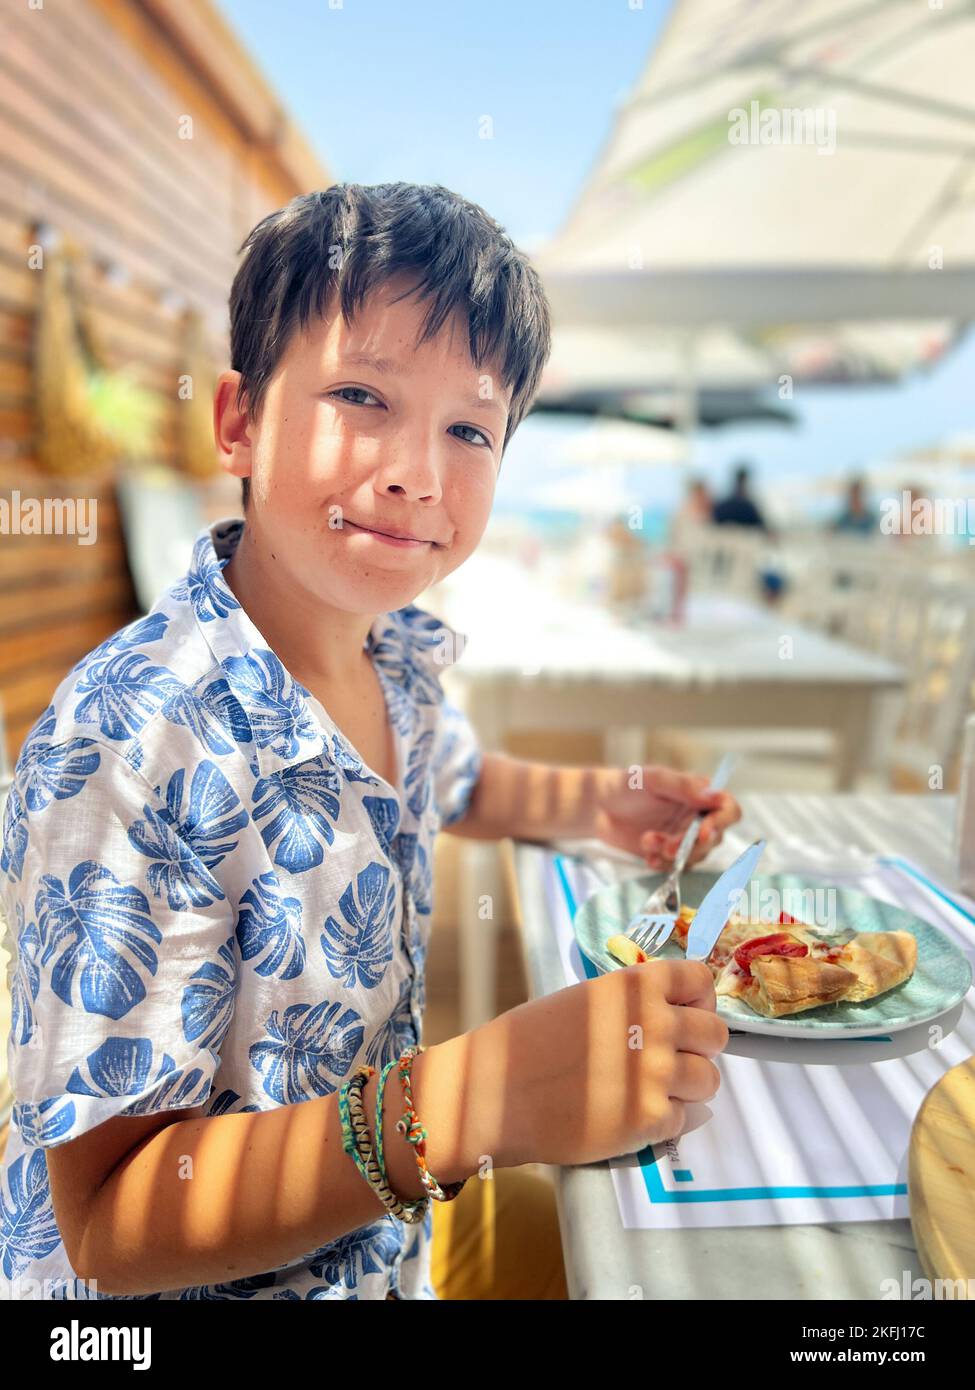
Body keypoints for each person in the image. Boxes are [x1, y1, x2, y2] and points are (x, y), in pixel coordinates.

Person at [0, 183, 740, 1302]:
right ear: (241, 420)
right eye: (362, 395)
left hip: (381, 1245)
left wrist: (604, 801)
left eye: (469, 429)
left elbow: (465, 780)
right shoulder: (139, 735)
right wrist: (477, 1099)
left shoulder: (392, 655)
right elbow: (109, 1219)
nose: (418, 474)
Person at [712, 463, 772, 533]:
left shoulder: (723, 504)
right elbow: (761, 525)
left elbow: (715, 520)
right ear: (745, 481)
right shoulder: (747, 506)